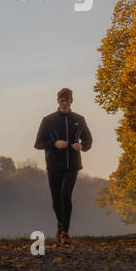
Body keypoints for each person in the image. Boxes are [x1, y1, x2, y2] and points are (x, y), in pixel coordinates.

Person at [33, 87, 92, 245]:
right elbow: (38, 144)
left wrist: (82, 146)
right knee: (56, 199)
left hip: (72, 165)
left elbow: (88, 140)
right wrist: (54, 143)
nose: (64, 103)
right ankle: (60, 225)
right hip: (53, 165)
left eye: (67, 100)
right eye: (62, 100)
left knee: (66, 195)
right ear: (58, 101)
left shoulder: (79, 119)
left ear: (71, 101)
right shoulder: (48, 120)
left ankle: (65, 232)